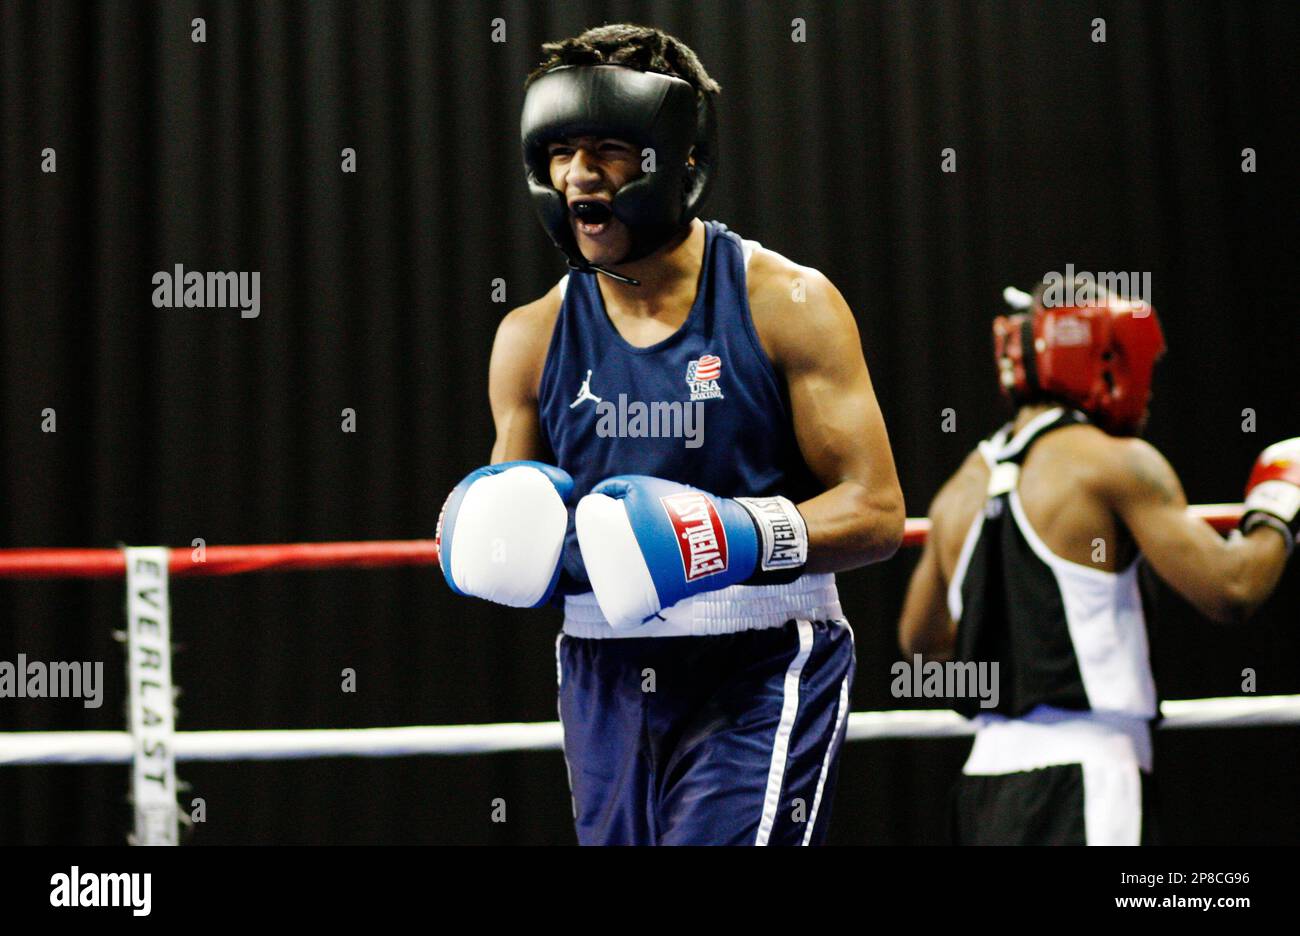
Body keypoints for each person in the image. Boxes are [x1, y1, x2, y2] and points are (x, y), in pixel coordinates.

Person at [436, 24, 904, 845]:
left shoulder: (786, 304)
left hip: (760, 656)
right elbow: (519, 550)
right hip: (601, 673)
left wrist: (731, 535)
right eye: (559, 152)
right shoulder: (531, 338)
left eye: (610, 149)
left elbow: (876, 513)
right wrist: (487, 540)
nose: (579, 176)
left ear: (678, 157)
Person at [898, 278, 1298, 845]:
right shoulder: (1115, 464)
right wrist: (1280, 503)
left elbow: (919, 643)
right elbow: (1232, 589)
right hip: (1088, 775)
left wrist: (1017, 651)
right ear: (1101, 359)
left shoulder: (959, 488)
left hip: (982, 787)